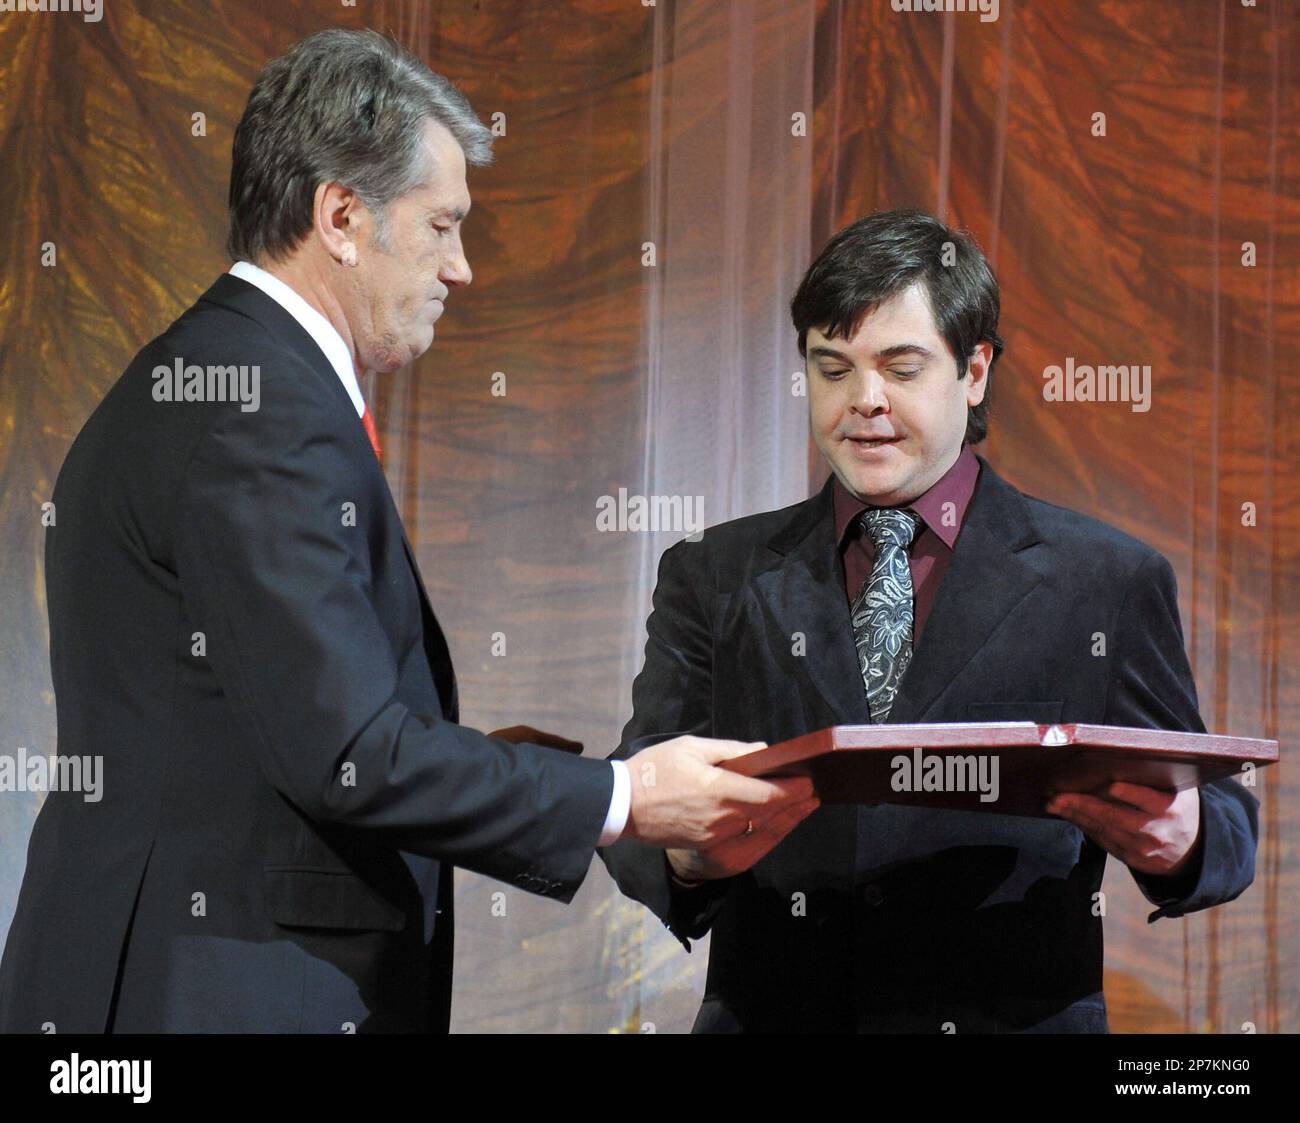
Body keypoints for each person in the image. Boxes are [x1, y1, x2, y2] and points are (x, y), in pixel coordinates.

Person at [0, 29, 813, 1034]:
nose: (461, 269)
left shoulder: (219, 376)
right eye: (442, 226)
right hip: (222, 987)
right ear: (341, 216)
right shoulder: (262, 410)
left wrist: (457, 754)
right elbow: (348, 753)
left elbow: (264, 720)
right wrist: (622, 796)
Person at [599, 209, 1259, 1033]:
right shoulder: (713, 573)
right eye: (831, 368)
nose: (863, 401)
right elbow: (630, 797)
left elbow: (1223, 814)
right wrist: (682, 855)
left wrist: (1186, 839)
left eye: (900, 367)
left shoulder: (1107, 579)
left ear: (975, 370)